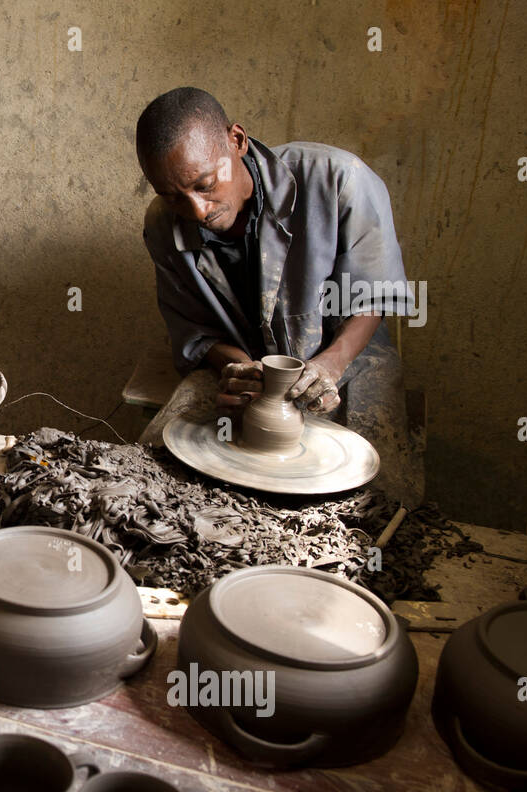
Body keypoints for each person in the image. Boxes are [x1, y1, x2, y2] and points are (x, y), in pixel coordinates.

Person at [135, 87, 421, 502]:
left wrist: (330, 365)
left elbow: (373, 296)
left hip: (348, 352)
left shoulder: (338, 179)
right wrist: (238, 369)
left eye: (206, 184)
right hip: (250, 360)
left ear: (236, 140)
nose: (197, 210)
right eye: (174, 196)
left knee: (384, 496)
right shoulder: (164, 224)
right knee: (155, 476)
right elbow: (194, 332)